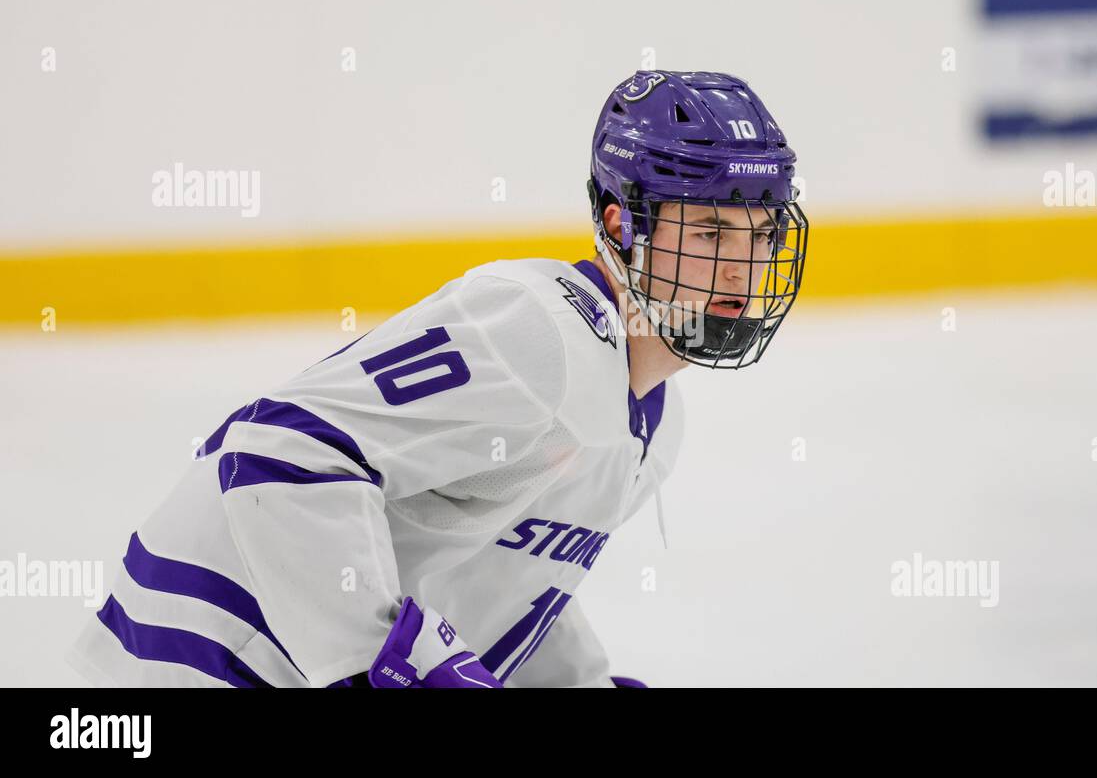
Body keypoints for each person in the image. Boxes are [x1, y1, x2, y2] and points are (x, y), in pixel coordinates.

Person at [67, 70, 809, 688]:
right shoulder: (538, 335)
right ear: (621, 226)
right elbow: (276, 454)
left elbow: (492, 573)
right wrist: (373, 661)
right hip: (187, 659)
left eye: (763, 232)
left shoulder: (654, 417)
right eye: (712, 231)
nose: (743, 267)